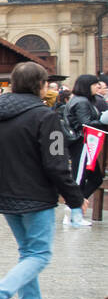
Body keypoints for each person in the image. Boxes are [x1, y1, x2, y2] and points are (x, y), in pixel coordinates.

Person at [0, 62, 83, 299]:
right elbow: (57, 162)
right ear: (40, 85)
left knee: (28, 252)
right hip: (36, 195)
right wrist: (74, 197)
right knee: (39, 254)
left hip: (6, 193)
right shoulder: (47, 117)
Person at [62, 73, 103, 228]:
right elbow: (86, 124)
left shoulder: (82, 101)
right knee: (79, 179)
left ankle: (76, 207)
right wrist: (101, 121)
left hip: (85, 143)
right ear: (87, 86)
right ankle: (73, 213)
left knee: (95, 178)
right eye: (94, 84)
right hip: (82, 143)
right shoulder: (81, 102)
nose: (97, 87)